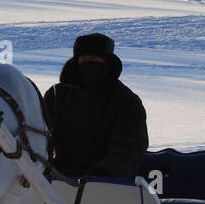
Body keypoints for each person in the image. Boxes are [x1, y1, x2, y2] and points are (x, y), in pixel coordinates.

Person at [43, 33, 148, 179]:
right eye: (84, 58)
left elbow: (129, 146)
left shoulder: (127, 101)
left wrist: (104, 173)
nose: (88, 63)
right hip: (55, 180)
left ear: (107, 62)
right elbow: (40, 134)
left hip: (106, 185)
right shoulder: (56, 95)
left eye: (95, 59)